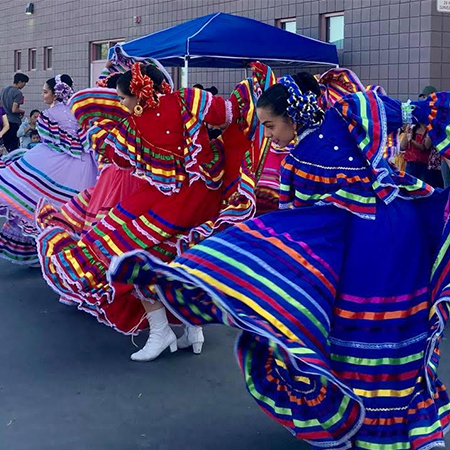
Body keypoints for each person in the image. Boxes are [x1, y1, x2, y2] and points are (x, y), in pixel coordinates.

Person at [109, 75, 450, 449]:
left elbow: (300, 227)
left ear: (292, 118)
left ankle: (371, 428)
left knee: (352, 331)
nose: (268, 136)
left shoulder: (301, 159)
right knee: (397, 328)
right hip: (400, 227)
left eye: (270, 126)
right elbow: (401, 110)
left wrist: (243, 265)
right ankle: (408, 422)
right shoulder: (345, 117)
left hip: (365, 246)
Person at [36, 61, 275, 361]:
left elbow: (119, 159)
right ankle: (191, 328)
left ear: (138, 92)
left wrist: (100, 131)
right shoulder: (186, 100)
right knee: (177, 257)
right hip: (201, 192)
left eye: (123, 97)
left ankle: (162, 331)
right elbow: (226, 114)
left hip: (178, 200)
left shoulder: (136, 123)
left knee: (129, 252)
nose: (121, 103)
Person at [0, 74, 97, 266]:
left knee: (33, 200)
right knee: (72, 212)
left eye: (45, 92)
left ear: (56, 94)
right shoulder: (79, 110)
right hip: (86, 166)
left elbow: (49, 139)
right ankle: (66, 255)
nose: (43, 95)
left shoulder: (49, 115)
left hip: (56, 162)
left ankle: (41, 250)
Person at [1, 73, 29, 152]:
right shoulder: (18, 93)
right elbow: (14, 109)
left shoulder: (3, 90)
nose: (24, 85)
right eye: (24, 83)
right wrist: (22, 111)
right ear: (20, 82)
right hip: (13, 122)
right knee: (13, 147)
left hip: (3, 121)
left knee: (5, 146)